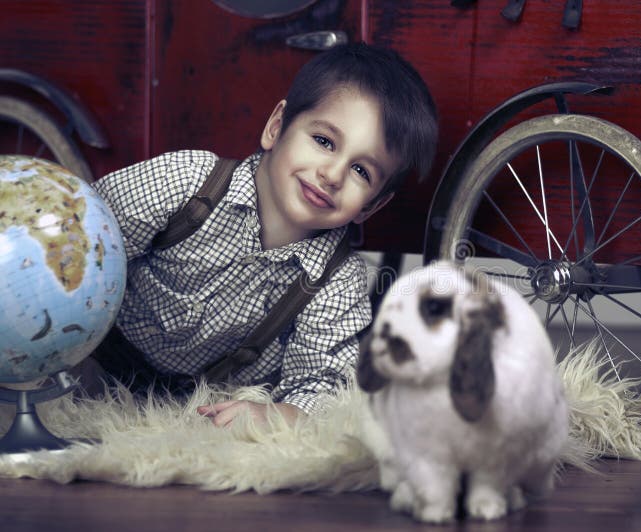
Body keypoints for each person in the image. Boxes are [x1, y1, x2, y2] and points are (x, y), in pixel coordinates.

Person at [88, 42, 438, 428]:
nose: (333, 174)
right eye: (324, 141)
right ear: (276, 128)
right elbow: (82, 242)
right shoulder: (189, 184)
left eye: (361, 171)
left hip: (194, 405)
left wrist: (277, 415)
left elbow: (323, 383)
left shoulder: (337, 281)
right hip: (90, 352)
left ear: (371, 206)